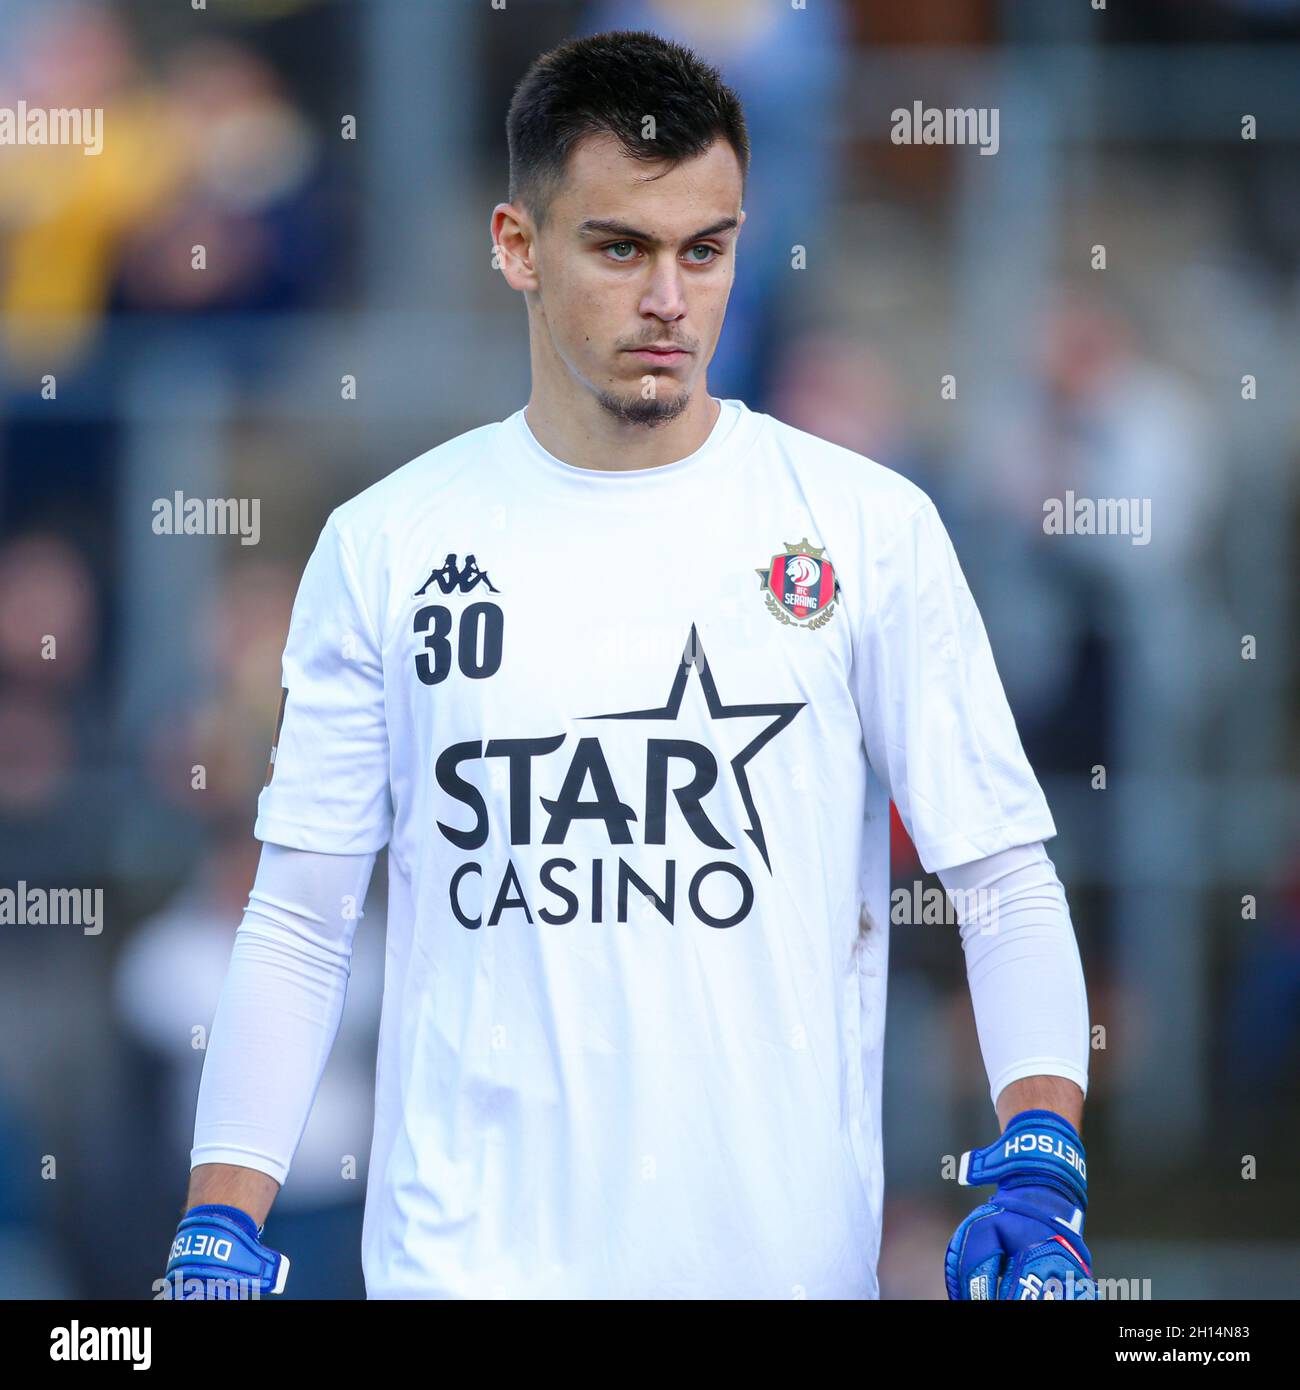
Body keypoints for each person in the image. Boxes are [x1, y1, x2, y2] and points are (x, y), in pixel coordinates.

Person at [163, 31, 1092, 1302]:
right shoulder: (386, 545)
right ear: (515, 247)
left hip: (778, 1272)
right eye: (620, 248)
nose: (670, 298)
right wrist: (222, 1221)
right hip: (463, 1272)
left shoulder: (863, 528)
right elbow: (298, 920)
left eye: (703, 251)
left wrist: (1042, 1170)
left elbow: (999, 877)